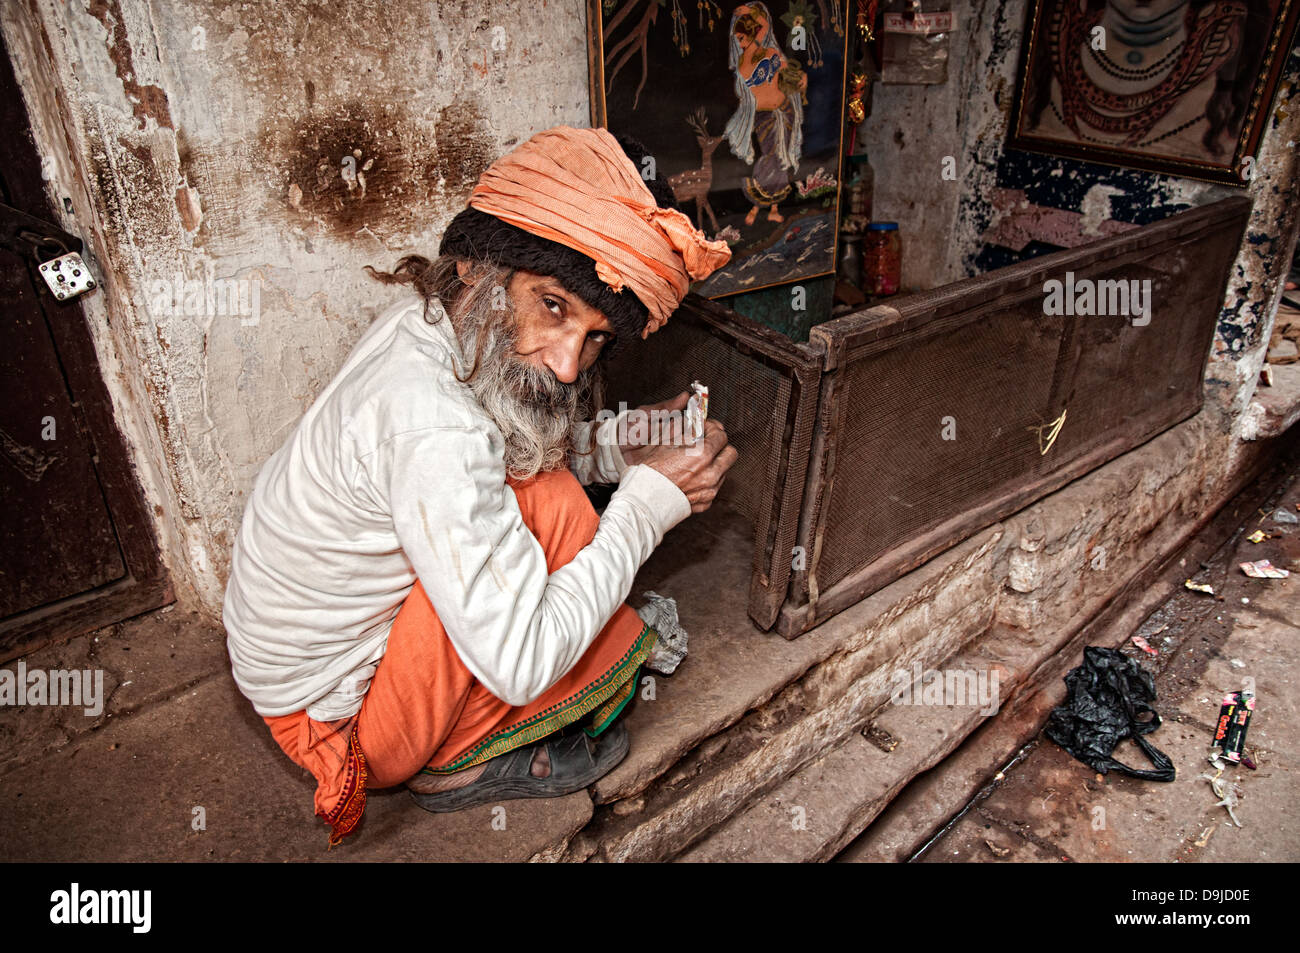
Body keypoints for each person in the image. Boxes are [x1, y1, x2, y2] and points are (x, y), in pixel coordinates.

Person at [222, 126, 736, 844]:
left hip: (294, 662)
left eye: (594, 337)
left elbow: (512, 445)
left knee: (547, 490)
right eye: (553, 304)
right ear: (478, 267)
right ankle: (451, 761)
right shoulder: (434, 428)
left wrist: (622, 447)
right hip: (339, 720)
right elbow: (521, 660)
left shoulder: (429, 326)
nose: (566, 363)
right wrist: (647, 507)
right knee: (556, 515)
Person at [724, 2, 807, 226]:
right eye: (738, 39)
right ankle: (756, 205)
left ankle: (772, 208)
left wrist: (798, 81)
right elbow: (747, 90)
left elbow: (787, 75)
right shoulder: (744, 65)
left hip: (784, 111)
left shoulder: (771, 53)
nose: (739, 43)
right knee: (770, 156)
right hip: (764, 116)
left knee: (780, 158)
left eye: (743, 37)